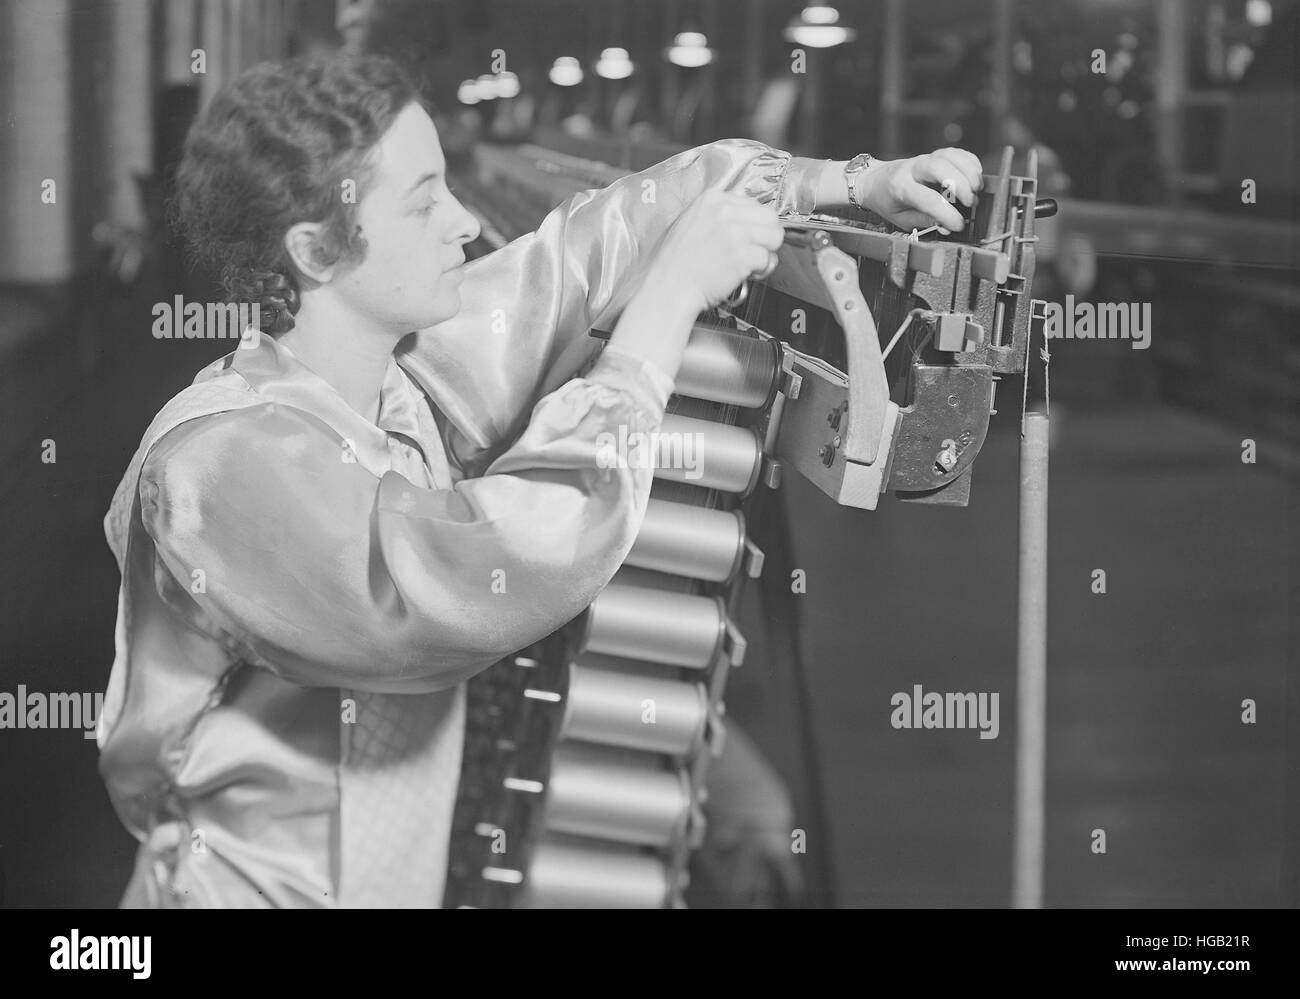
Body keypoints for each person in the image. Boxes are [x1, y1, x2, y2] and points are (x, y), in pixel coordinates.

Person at [98, 53, 983, 908]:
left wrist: (854, 184)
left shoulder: (400, 379)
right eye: (422, 202)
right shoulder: (219, 472)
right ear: (317, 250)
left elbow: (586, 249)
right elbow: (469, 570)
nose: (461, 222)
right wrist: (667, 304)